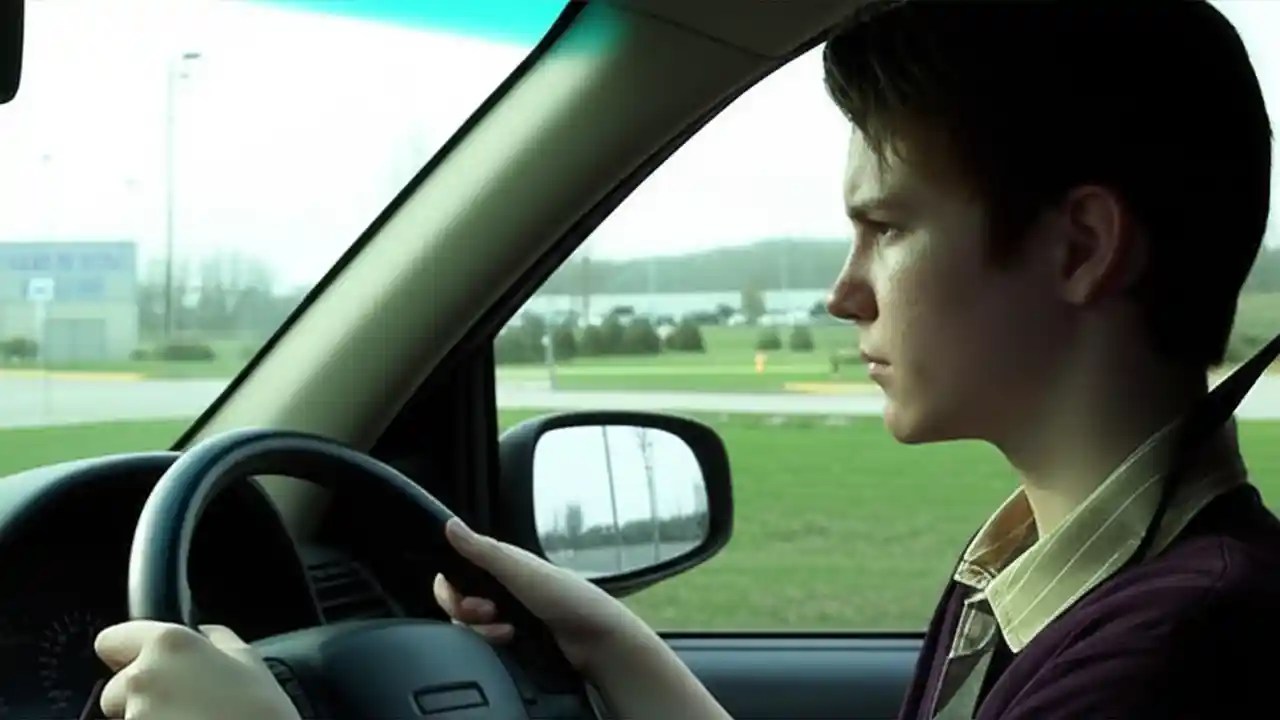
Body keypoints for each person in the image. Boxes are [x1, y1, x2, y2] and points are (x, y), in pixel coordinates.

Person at [91, 1, 1280, 718]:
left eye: (886, 226)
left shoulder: (1171, 656)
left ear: (1078, 247)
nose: (842, 290)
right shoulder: (1049, 574)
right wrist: (610, 644)